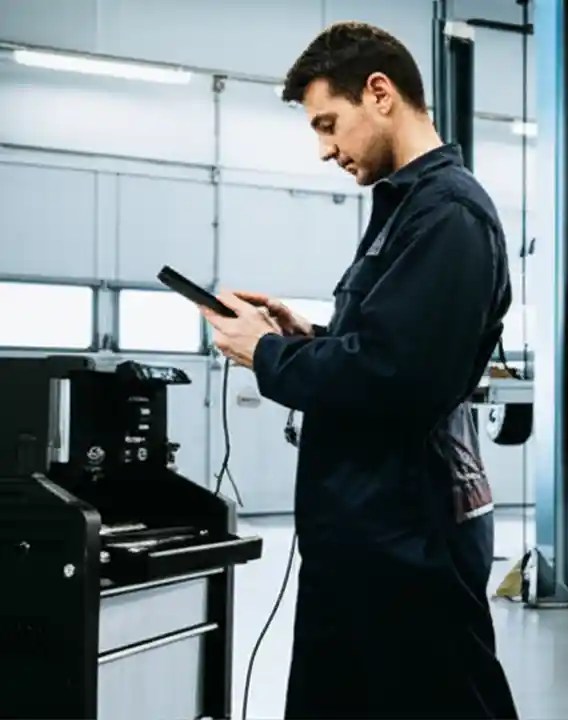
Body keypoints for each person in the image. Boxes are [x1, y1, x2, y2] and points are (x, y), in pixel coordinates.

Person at [200, 21, 518, 720]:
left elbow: (397, 378)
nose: (323, 150)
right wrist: (306, 333)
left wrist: (268, 354)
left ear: (379, 93)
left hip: (407, 542)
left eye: (327, 124)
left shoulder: (450, 216)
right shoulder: (409, 210)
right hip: (364, 535)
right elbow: (390, 343)